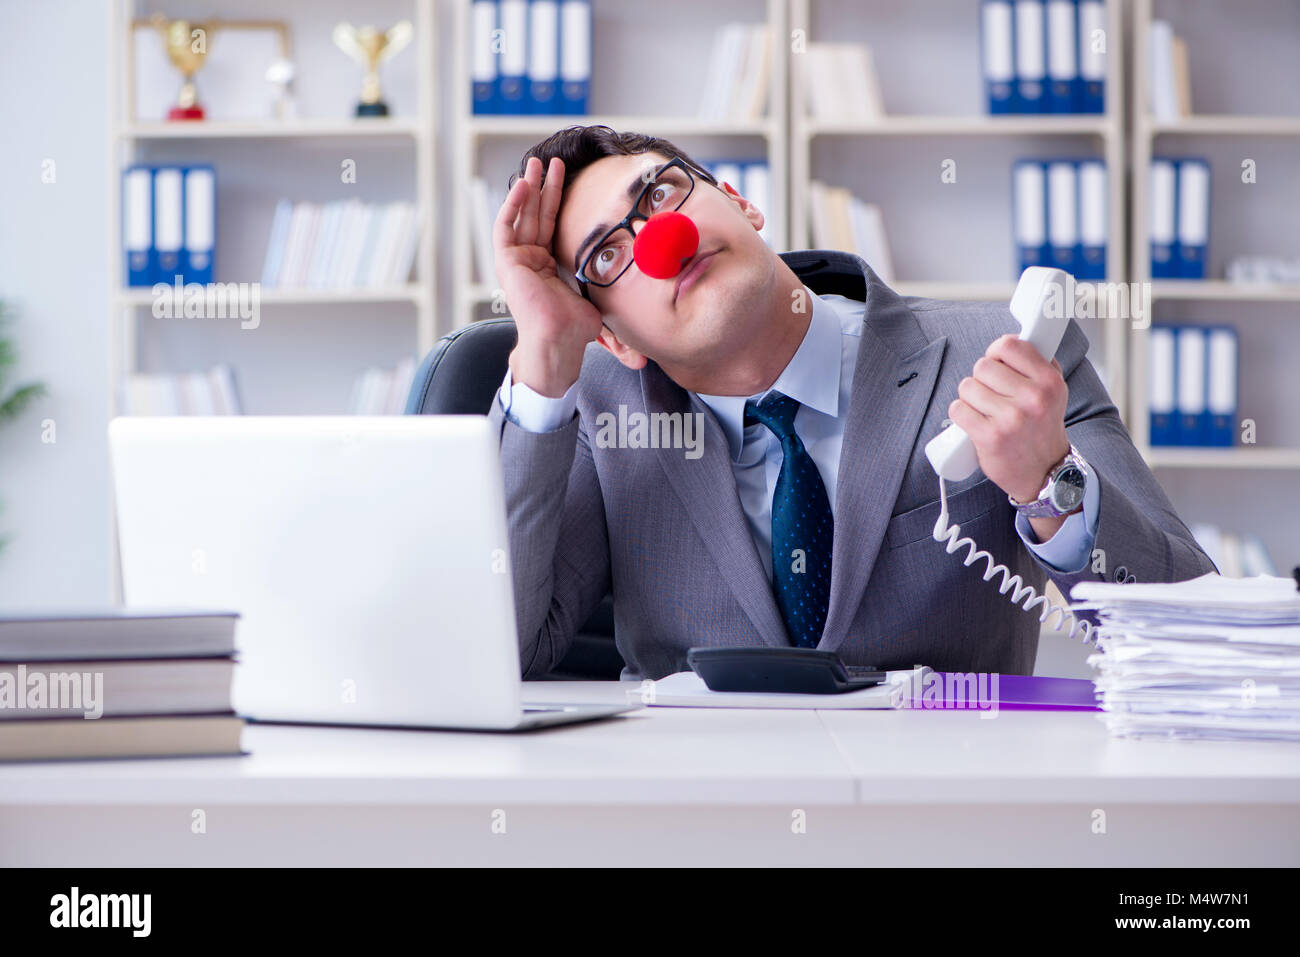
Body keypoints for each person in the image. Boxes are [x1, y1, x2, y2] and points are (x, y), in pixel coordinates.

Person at [488, 125, 1216, 681]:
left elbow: (1195, 637)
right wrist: (545, 367)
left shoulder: (1010, 355)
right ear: (613, 339)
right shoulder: (598, 411)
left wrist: (1052, 484)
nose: (659, 240)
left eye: (658, 194)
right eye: (607, 256)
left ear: (741, 204)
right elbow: (498, 649)